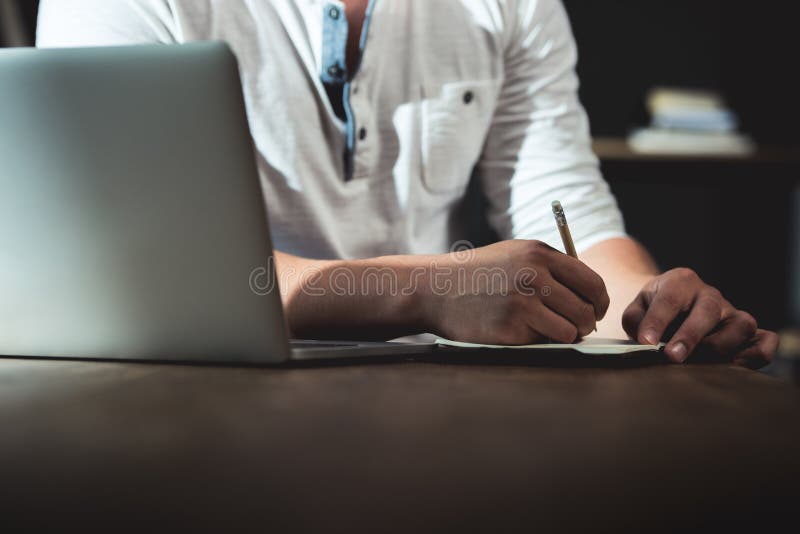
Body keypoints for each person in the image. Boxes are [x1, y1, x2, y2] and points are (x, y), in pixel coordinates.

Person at [37, 0, 778, 365]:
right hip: (190, 386)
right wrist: (428, 287)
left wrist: (652, 314)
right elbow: (135, 272)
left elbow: (570, 211)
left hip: (424, 388)